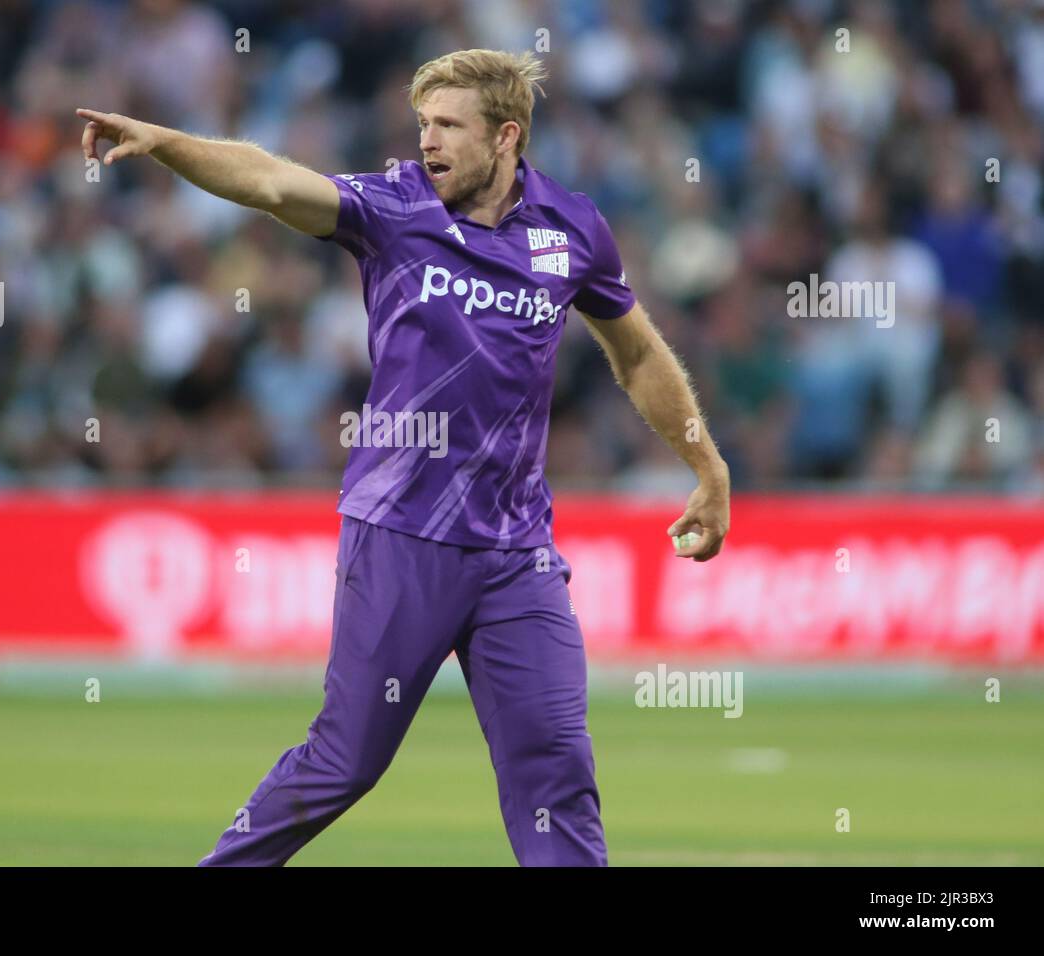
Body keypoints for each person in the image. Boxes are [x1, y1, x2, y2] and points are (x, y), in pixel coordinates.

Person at [77, 48, 730, 866]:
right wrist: (166, 141)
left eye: (448, 126)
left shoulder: (573, 230)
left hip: (515, 552)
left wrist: (707, 466)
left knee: (556, 767)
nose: (428, 142)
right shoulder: (391, 208)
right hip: (399, 537)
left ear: (506, 137)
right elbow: (272, 182)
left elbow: (636, 355)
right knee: (343, 765)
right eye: (423, 124)